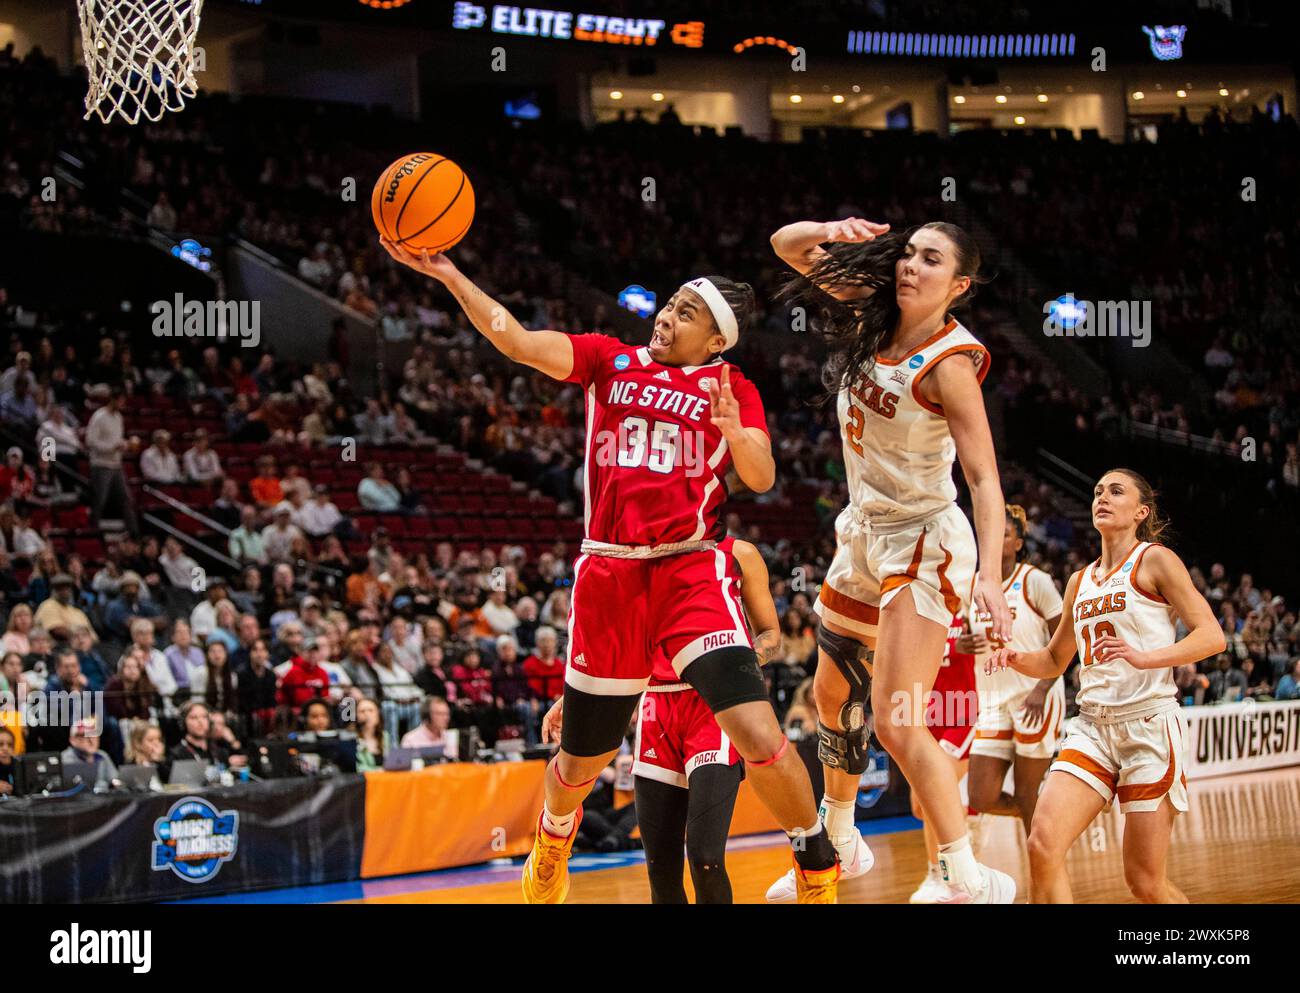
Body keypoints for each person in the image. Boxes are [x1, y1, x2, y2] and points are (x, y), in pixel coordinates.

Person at [384, 240, 841, 903]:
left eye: (686, 313)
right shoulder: (608, 359)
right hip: (612, 574)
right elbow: (516, 341)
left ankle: (814, 856)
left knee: (758, 729)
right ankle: (553, 834)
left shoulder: (732, 388)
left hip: (692, 568)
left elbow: (762, 475)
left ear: (715, 339)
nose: (666, 314)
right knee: (580, 763)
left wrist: (735, 431)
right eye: (671, 302)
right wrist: (453, 273)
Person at [769, 216, 1013, 902]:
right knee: (831, 695)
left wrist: (990, 577)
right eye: (907, 252)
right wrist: (829, 227)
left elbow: (985, 480)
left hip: (925, 537)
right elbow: (785, 247)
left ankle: (963, 872)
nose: (910, 265)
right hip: (865, 530)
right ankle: (842, 842)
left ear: (958, 284)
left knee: (900, 719)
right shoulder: (874, 312)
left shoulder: (952, 362)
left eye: (930, 259)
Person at [988, 469, 1226, 903]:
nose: (1102, 497)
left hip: (1148, 724)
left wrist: (1145, 657)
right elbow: (1056, 659)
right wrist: (1016, 657)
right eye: (1098, 491)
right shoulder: (1080, 581)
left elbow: (1211, 635)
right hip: (1093, 728)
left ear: (1141, 511)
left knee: (1144, 881)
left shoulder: (1154, 559)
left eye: (1116, 491)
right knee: (1042, 843)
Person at [965, 505, 1065, 871]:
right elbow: (965, 634)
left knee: (1026, 793)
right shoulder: (972, 584)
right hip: (993, 700)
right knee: (981, 795)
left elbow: (1064, 641)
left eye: (1003, 533)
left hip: (1034, 696)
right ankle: (1054, 820)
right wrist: (962, 644)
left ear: (1018, 543)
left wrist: (1042, 688)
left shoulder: (1034, 580)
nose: (993, 538)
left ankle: (1043, 872)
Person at [905, 612, 980, 904]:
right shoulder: (920, 609)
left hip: (962, 714)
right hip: (928, 717)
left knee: (932, 791)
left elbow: (992, 638)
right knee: (920, 806)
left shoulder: (969, 606)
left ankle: (943, 874)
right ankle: (965, 825)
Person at [85, 388, 139, 536]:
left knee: (126, 500)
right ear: (113, 399)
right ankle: (92, 531)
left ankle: (134, 534)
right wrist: (111, 447)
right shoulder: (99, 416)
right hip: (101, 464)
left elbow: (117, 441)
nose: (123, 403)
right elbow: (90, 441)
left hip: (116, 464)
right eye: (121, 400)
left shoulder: (118, 418)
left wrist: (126, 445)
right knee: (99, 500)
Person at [61, 718, 118, 788]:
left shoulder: (102, 756)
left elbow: (115, 780)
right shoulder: (64, 760)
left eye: (94, 734)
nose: (91, 740)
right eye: (84, 735)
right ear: (72, 740)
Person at [169, 700, 215, 766]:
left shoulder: (219, 752)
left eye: (204, 717)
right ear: (183, 723)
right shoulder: (176, 755)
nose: (200, 722)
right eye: (194, 717)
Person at [354, 696, 390, 771]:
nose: (367, 714)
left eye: (371, 710)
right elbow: (357, 767)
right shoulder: (353, 739)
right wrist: (378, 771)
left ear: (378, 715)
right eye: (362, 711)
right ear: (356, 716)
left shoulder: (385, 736)